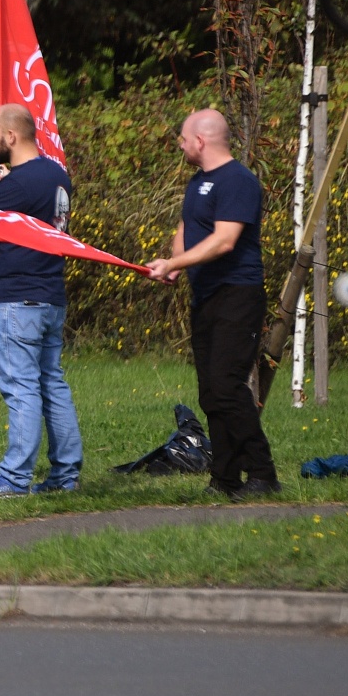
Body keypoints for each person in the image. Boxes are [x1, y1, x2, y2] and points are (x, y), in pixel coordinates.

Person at [144, 108, 280, 500]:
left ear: (201, 141)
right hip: (204, 296)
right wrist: (174, 264)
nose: (181, 145)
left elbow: (224, 240)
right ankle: (224, 479)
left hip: (237, 294)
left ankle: (263, 474)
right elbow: (188, 227)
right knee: (210, 392)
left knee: (227, 387)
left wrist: (174, 263)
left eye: (184, 139)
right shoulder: (197, 182)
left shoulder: (238, 181)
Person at [0, 104, 80, 499]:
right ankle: (65, 475)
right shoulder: (57, 174)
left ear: (10, 137)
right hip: (51, 295)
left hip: (16, 299)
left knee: (21, 387)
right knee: (52, 383)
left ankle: (13, 477)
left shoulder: (19, 184)